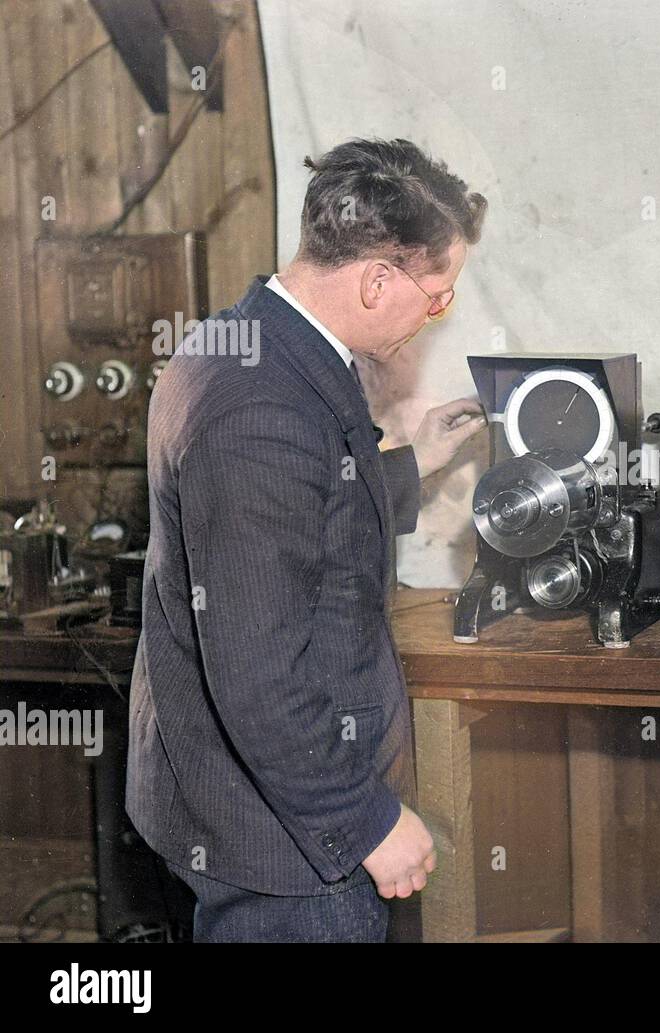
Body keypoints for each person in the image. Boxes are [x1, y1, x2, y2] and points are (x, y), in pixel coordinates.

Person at [126, 138, 487, 942]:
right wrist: (364, 821)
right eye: (438, 297)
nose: (437, 315)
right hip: (283, 842)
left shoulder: (246, 343)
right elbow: (256, 672)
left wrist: (412, 461)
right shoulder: (264, 407)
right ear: (375, 280)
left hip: (247, 798)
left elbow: (296, 518)